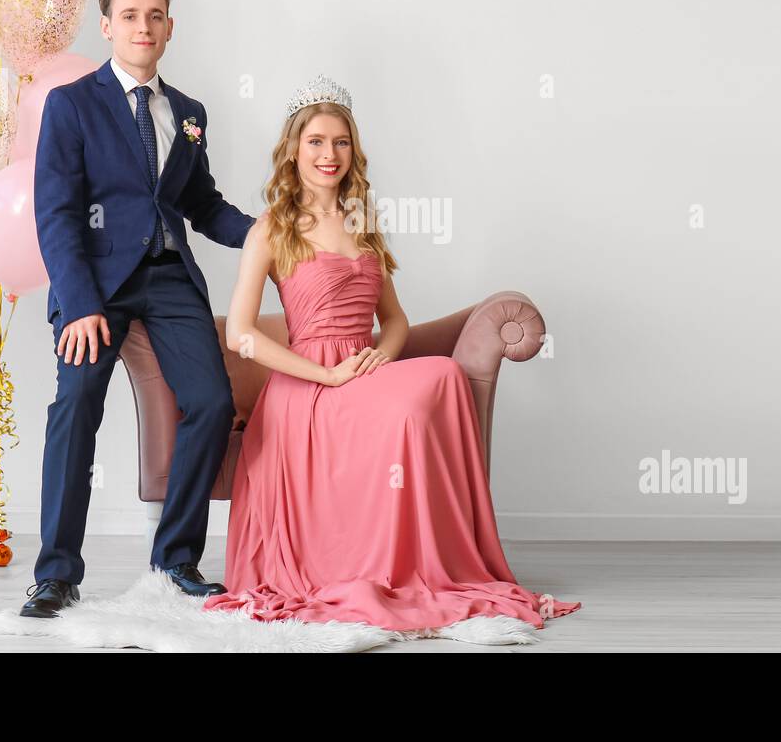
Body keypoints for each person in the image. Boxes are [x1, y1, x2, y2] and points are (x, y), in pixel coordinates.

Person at [202, 75, 581, 632]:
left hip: (361, 373)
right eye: (315, 142)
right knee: (423, 393)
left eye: (340, 142)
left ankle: (440, 560)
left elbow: (395, 320)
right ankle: (390, 561)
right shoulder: (272, 230)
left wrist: (383, 356)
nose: (328, 154)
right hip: (309, 392)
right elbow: (240, 333)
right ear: (293, 149)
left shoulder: (363, 225)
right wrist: (327, 376)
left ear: (353, 151)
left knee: (446, 377)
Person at [22, 0, 254, 618]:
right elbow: (56, 211)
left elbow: (202, 205)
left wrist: (266, 235)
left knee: (211, 402)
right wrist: (82, 304)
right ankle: (56, 574)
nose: (143, 26)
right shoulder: (72, 104)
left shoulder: (188, 113)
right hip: (95, 280)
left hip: (170, 276)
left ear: (169, 28)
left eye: (154, 16)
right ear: (107, 27)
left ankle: (175, 561)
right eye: (129, 16)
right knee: (77, 405)